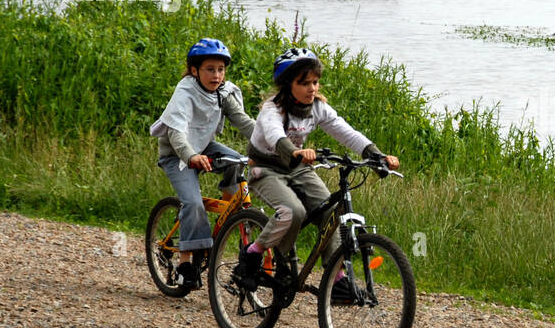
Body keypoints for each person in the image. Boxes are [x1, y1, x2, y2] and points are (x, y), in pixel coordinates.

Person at [239, 46, 399, 300]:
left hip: (298, 166)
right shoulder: (273, 110)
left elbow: (345, 131)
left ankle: (335, 279)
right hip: (266, 168)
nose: (312, 88)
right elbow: (274, 134)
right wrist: (294, 152)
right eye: (304, 83)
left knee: (329, 211)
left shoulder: (317, 108)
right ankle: (254, 253)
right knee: (293, 212)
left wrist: (376, 156)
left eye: (315, 82)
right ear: (287, 84)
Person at [150, 38, 255, 289]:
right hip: (178, 155)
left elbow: (244, 122)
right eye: (210, 69)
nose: (216, 75)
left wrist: (271, 144)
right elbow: (175, 133)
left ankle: (228, 209)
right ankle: (186, 263)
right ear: (195, 70)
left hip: (204, 146)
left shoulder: (223, 93)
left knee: (236, 162)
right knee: (193, 203)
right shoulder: (185, 92)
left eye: (220, 69)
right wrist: (190, 156)